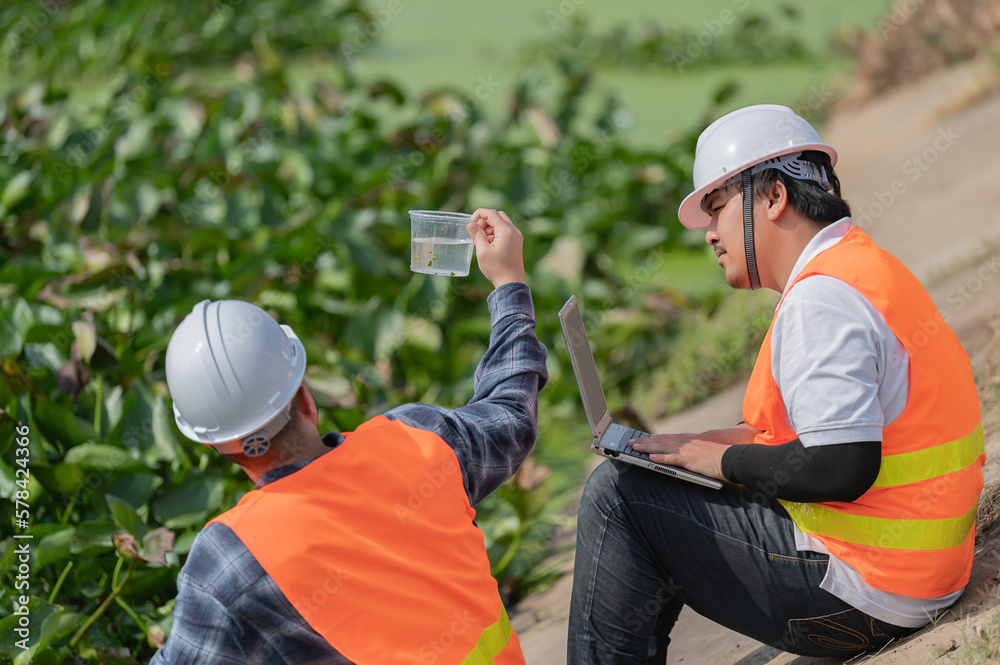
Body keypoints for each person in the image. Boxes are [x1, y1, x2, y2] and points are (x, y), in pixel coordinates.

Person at [567, 105, 984, 662]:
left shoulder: (821, 299)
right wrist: (714, 444)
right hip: (918, 570)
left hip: (873, 593)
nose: (710, 235)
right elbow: (819, 433)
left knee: (616, 497)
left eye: (716, 210)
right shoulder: (857, 265)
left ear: (773, 197)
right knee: (651, 489)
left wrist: (721, 465)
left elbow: (844, 465)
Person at [151, 209, 547, 665]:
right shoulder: (418, 438)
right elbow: (510, 413)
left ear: (213, 446)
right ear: (305, 395)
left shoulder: (228, 563)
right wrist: (508, 284)